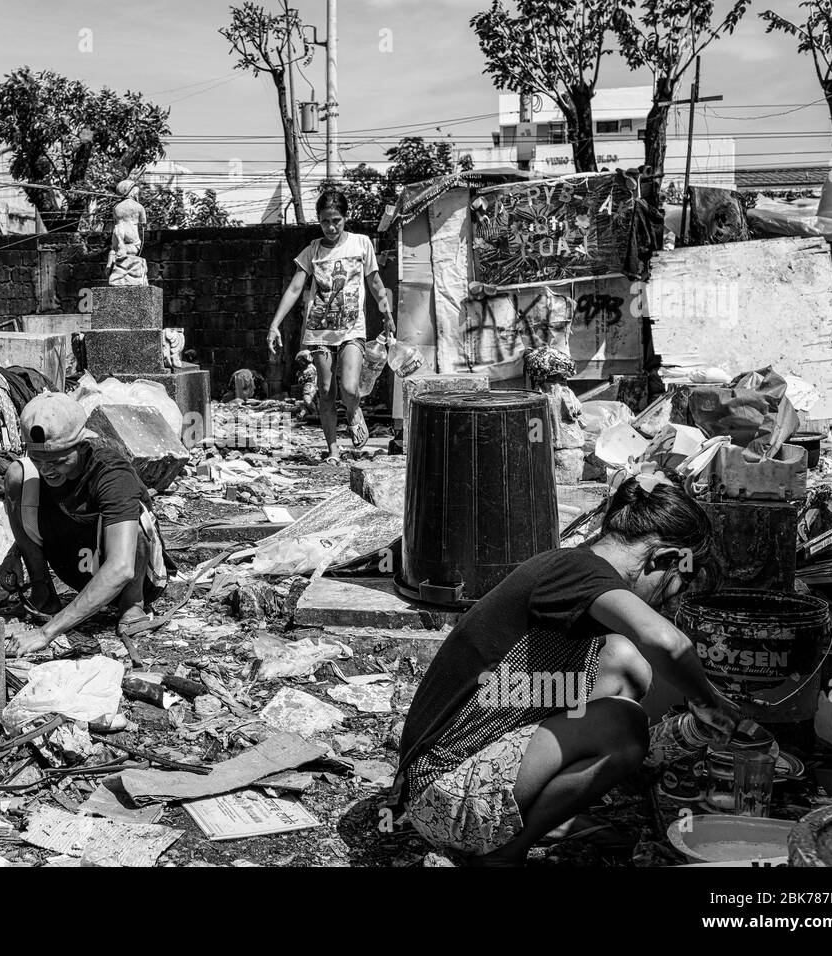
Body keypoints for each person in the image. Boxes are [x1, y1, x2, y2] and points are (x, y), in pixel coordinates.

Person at [394, 475, 740, 865]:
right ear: (662, 558)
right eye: (676, 584)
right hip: (441, 796)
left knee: (625, 662)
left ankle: (536, 814)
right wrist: (708, 703)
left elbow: (651, 663)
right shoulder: (574, 570)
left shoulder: (577, 570)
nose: (668, 601)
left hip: (453, 784)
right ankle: (505, 853)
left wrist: (698, 720)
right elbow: (668, 643)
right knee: (622, 725)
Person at [0, 391, 171, 656]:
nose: (47, 471)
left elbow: (121, 567)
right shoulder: (40, 471)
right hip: (78, 566)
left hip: (131, 574)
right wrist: (16, 551)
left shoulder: (112, 474)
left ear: (81, 445)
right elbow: (41, 507)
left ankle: (132, 605)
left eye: (57, 461)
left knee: (132, 523)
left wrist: (46, 633)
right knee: (17, 475)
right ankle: (44, 594)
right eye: (39, 460)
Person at [267, 189, 395, 463]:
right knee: (325, 391)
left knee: (349, 388)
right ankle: (333, 450)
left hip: (352, 330)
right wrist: (275, 324)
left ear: (346, 217)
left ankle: (352, 412)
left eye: (336, 220)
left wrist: (387, 314)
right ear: (319, 221)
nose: (331, 227)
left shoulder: (361, 244)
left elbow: (375, 284)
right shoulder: (312, 250)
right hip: (320, 333)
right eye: (325, 221)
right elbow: (294, 289)